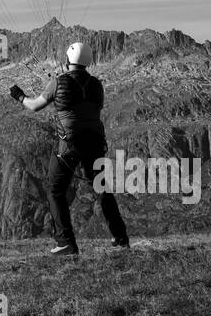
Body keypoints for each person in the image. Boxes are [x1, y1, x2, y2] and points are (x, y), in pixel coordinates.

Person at [9, 42, 129, 255]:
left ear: (67, 61)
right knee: (102, 188)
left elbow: (34, 106)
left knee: (55, 189)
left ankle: (65, 242)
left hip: (70, 145)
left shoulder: (58, 82)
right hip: (94, 142)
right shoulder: (96, 85)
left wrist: (19, 95)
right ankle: (121, 239)